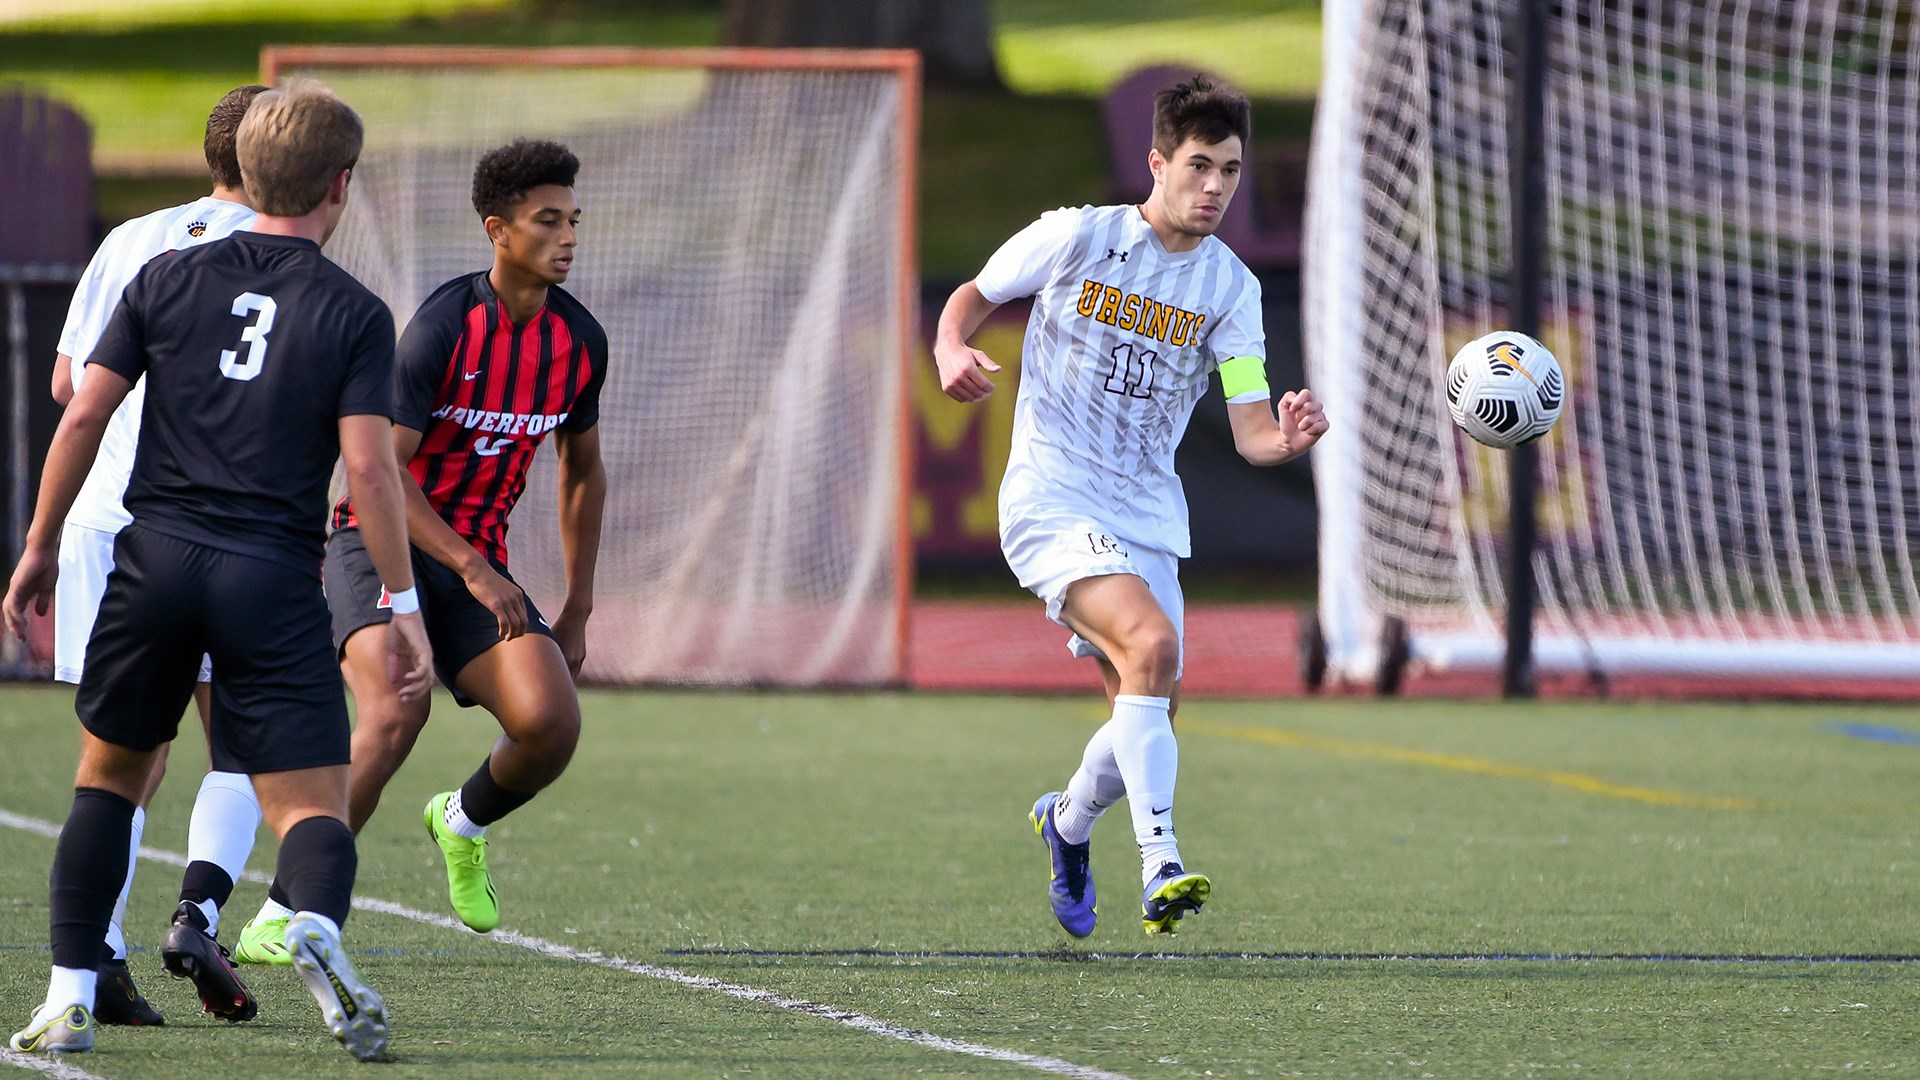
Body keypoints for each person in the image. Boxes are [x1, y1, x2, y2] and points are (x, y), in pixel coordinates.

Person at [4, 78, 432, 1061]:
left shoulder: (165, 275)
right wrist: (399, 602)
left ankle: (70, 993)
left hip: (153, 564)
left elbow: (81, 411)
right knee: (311, 800)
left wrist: (35, 546)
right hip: (270, 574)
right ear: (341, 184)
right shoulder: (354, 310)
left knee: (107, 781)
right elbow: (368, 467)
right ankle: (312, 924)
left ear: (240, 170)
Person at [932, 74, 1328, 937]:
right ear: (1157, 163)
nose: (1216, 186)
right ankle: (1162, 862)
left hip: (1146, 513)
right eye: (1199, 166)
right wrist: (949, 345)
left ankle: (1067, 826)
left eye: (1230, 169)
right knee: (1152, 644)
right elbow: (971, 296)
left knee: (1150, 696)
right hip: (1051, 493)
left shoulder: (1231, 290)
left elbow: (1252, 429)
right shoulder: (1076, 238)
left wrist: (1289, 440)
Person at [235, 137, 607, 959]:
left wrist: (576, 607)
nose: (569, 237)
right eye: (548, 220)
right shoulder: (441, 329)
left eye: (574, 220)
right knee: (399, 705)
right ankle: (280, 912)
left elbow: (582, 472)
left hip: (472, 562)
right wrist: (474, 569)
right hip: (376, 544)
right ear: (498, 230)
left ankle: (460, 821)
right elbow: (383, 476)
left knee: (550, 726)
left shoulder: (579, 343)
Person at [46, 83, 272, 1030]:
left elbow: (70, 383)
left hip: (101, 521)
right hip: (216, 527)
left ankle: (98, 961)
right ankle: (200, 912)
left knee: (120, 762)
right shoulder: (286, 256)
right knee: (254, 743)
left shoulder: (132, 234)